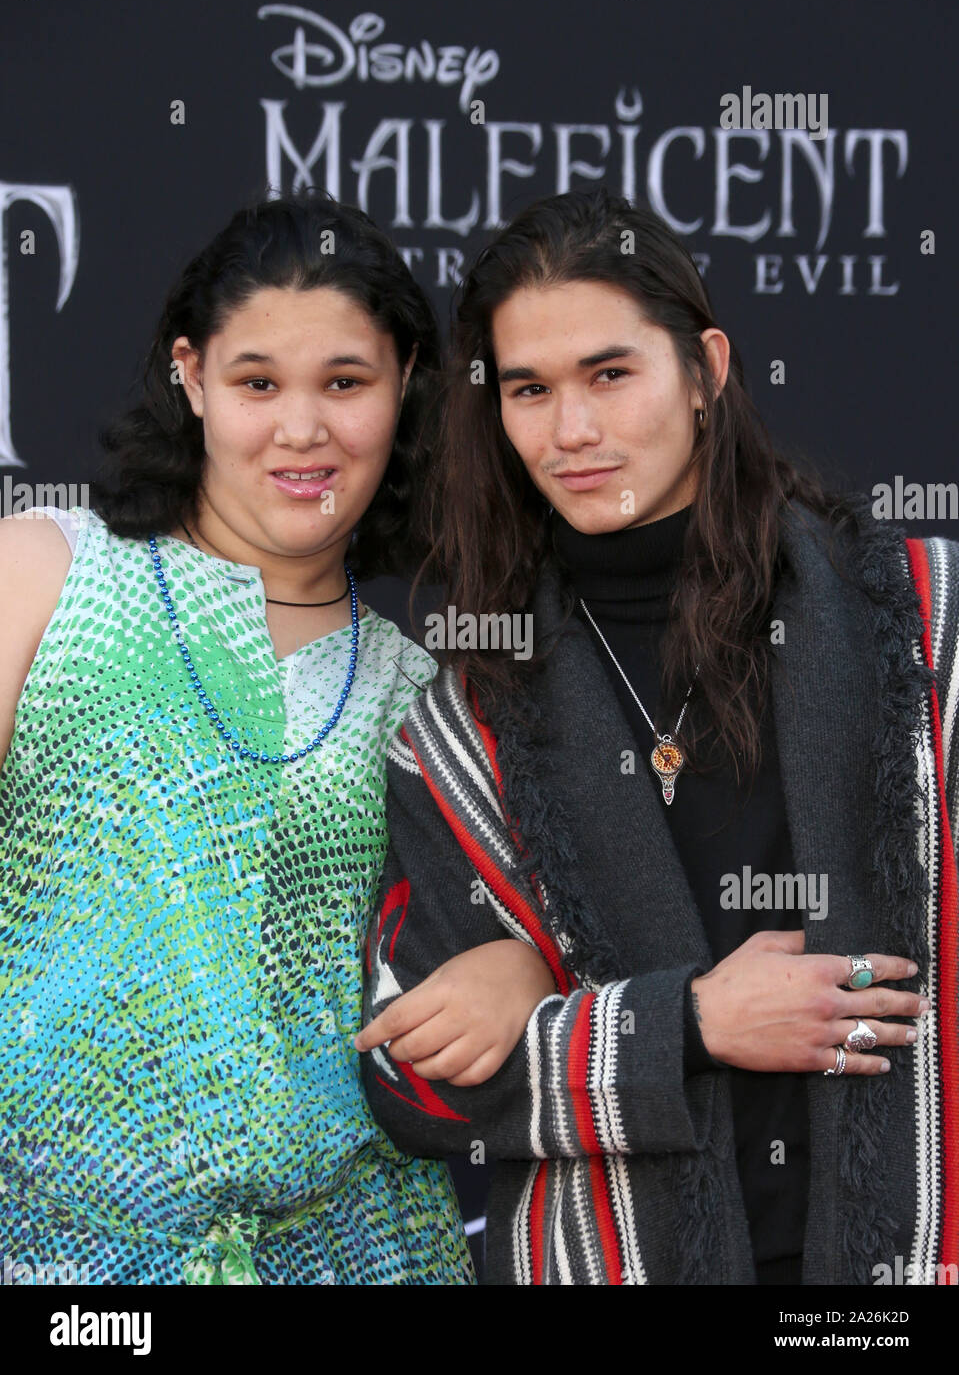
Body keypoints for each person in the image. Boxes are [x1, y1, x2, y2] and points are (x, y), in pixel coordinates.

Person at [355, 188, 958, 1286]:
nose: (570, 431)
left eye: (608, 374)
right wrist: (678, 1023)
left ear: (705, 369)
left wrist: (551, 999)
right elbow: (414, 1083)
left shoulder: (925, 621)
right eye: (528, 389)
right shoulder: (459, 725)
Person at [0, 191, 489, 1285]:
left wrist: (505, 973)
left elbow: (489, 959)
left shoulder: (422, 695)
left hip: (359, 1249)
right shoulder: (44, 573)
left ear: (406, 381)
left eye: (344, 383)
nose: (300, 430)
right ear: (192, 375)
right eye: (257, 382)